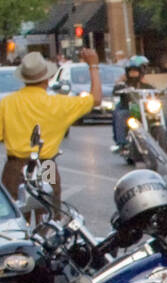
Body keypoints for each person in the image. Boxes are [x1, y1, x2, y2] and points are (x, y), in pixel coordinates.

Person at [0, 50, 101, 208]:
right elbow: (95, 99)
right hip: (46, 166)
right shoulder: (58, 104)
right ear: (46, 79)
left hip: (15, 167)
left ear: (24, 79)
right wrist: (93, 66)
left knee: (14, 221)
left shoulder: (6, 104)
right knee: (50, 217)